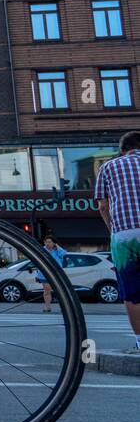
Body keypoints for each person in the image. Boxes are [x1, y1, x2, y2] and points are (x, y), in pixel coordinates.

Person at [95, 131, 140, 351]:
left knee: (132, 291)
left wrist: (113, 229)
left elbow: (102, 206)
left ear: (123, 149)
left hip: (125, 234)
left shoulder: (108, 167)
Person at [32, 235, 66, 313]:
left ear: (54, 243)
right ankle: (48, 307)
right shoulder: (42, 250)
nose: (47, 243)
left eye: (49, 242)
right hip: (44, 273)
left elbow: (63, 254)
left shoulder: (58, 250)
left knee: (59, 291)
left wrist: (57, 247)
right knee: (47, 290)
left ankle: (64, 307)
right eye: (46, 242)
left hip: (56, 273)